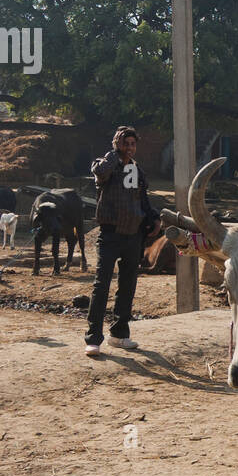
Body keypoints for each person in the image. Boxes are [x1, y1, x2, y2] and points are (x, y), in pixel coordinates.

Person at [84, 127, 160, 357]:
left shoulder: (136, 169)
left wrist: (154, 218)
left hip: (133, 234)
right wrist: (115, 154)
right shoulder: (106, 163)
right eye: (125, 143)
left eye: (132, 144)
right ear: (117, 143)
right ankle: (93, 338)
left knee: (127, 286)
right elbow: (100, 174)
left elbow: (142, 198)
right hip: (110, 233)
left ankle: (119, 335)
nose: (129, 148)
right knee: (102, 286)